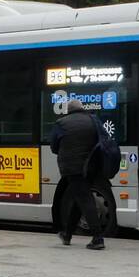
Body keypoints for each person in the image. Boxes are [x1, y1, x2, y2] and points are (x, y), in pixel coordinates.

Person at [50, 98, 105, 250]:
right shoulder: (93, 120)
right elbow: (103, 139)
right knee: (79, 198)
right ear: (82, 108)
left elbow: (54, 147)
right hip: (92, 166)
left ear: (68, 110)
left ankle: (98, 238)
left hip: (72, 168)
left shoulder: (61, 123)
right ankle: (67, 235)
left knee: (84, 199)